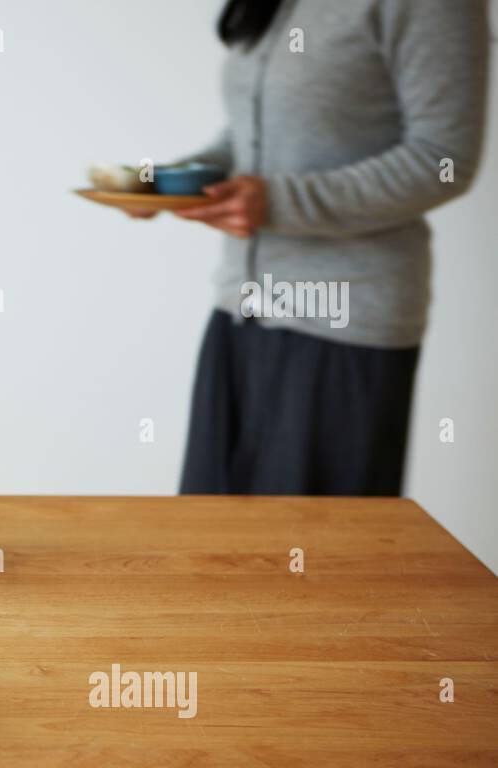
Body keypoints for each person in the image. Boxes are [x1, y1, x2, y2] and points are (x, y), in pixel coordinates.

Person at [142, 0, 489, 495]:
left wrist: (280, 201)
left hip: (345, 321)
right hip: (242, 313)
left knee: (314, 560)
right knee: (215, 550)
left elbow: (444, 159)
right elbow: (248, 136)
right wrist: (165, 182)